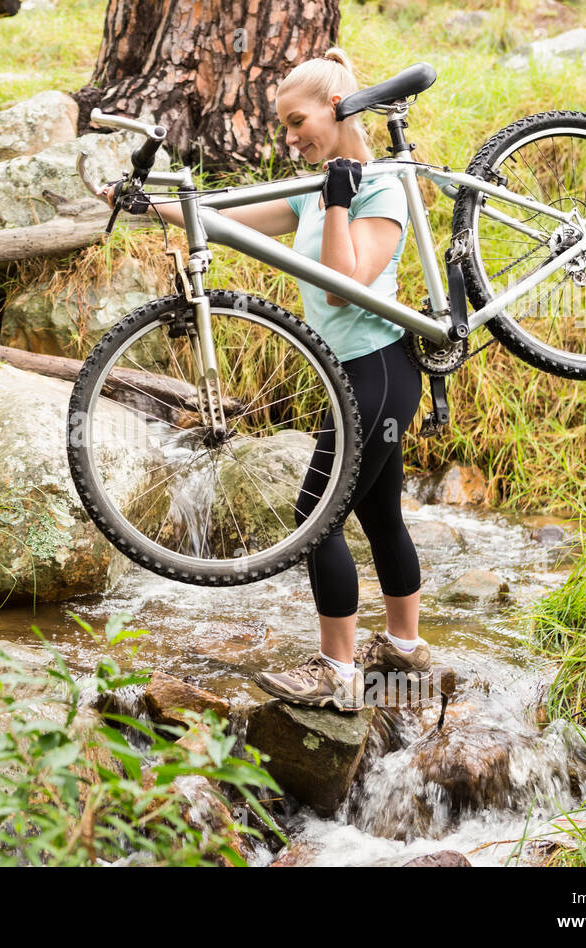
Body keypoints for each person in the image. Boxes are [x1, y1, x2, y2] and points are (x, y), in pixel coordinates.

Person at [97, 47, 431, 712]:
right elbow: (222, 223)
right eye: (282, 126)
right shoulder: (314, 194)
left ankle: (338, 673)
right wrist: (145, 204)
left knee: (317, 516)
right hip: (356, 377)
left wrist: (339, 199)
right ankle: (405, 650)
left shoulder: (383, 187)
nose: (288, 137)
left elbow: (345, 288)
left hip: (380, 373)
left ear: (336, 110)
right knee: (379, 512)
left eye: (295, 121)